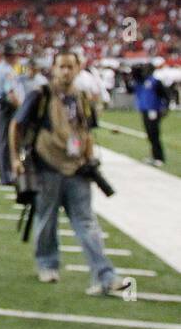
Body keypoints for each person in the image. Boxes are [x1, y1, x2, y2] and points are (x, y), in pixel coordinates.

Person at [9, 50, 131, 296]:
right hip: (46, 166)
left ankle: (105, 277)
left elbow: (87, 132)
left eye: (70, 67)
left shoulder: (83, 99)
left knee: (87, 223)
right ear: (53, 69)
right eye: (61, 66)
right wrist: (15, 159)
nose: (66, 71)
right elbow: (17, 124)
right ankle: (47, 264)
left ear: (78, 69)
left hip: (77, 168)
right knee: (46, 220)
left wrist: (90, 160)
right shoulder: (40, 94)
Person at [0, 42, 23, 186]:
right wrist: (22, 108)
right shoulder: (6, 71)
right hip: (7, 107)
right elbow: (11, 94)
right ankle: (6, 175)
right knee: (7, 142)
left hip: (4, 107)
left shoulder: (2, 68)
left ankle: (6, 173)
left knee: (6, 141)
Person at [126, 63, 168, 166]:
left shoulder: (155, 81)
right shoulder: (138, 81)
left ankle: (159, 157)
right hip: (144, 111)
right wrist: (127, 78)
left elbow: (165, 96)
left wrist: (164, 109)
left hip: (153, 111)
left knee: (154, 134)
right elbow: (129, 90)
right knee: (149, 134)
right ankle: (153, 156)